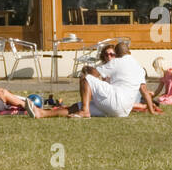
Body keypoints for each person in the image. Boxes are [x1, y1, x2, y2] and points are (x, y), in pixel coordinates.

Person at [29, 40, 161, 117]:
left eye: (112, 54)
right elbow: (144, 91)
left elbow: (94, 75)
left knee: (86, 78)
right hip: (122, 111)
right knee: (77, 106)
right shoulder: (138, 67)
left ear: (117, 54)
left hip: (114, 101)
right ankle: (42, 113)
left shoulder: (117, 62)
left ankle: (85, 111)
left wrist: (86, 68)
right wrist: (151, 111)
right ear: (129, 52)